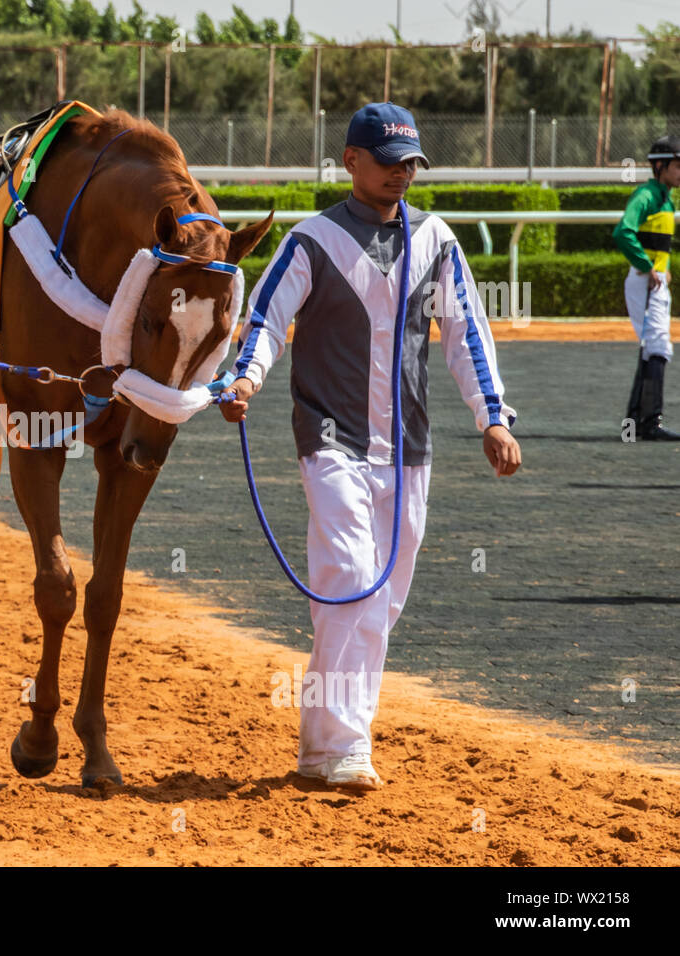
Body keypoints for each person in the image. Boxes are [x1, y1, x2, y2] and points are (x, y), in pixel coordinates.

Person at [220, 102, 522, 791]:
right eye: (388, 164)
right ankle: (344, 746)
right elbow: (266, 319)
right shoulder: (310, 239)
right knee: (351, 580)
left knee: (378, 602)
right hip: (330, 441)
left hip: (410, 449)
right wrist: (247, 377)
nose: (401, 176)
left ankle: (321, 749)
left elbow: (467, 337)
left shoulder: (438, 240)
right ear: (351, 161)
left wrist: (493, 419)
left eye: (410, 164)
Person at [614, 135, 680, 441]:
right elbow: (623, 232)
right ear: (661, 166)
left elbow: (657, 245)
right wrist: (647, 266)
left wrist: (661, 269)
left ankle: (635, 422)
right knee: (656, 346)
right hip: (643, 283)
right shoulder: (646, 195)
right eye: (678, 166)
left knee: (655, 348)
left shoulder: (666, 197)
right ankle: (648, 422)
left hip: (654, 283)